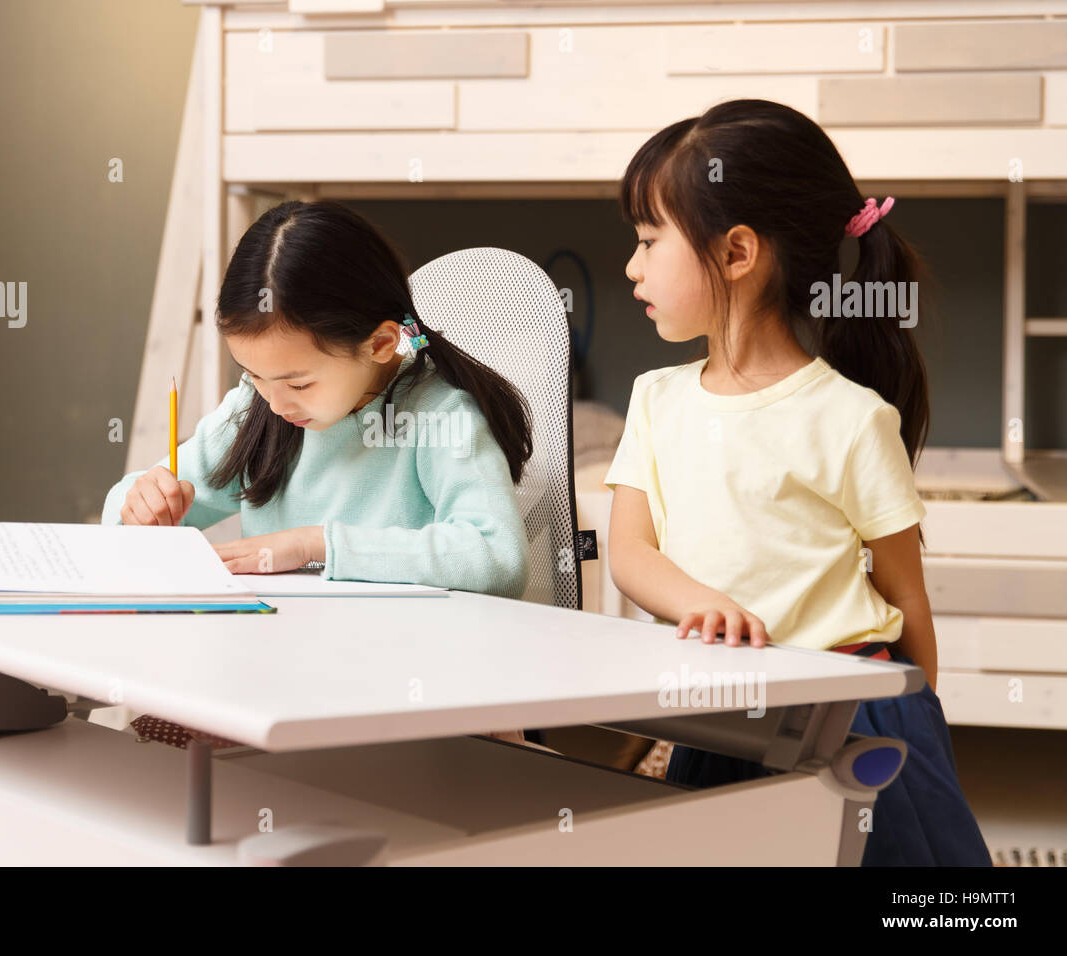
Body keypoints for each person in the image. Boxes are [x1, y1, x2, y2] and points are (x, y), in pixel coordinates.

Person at [604, 99, 991, 866]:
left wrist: (922, 730)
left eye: (649, 241)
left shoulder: (851, 418)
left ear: (737, 252)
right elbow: (630, 552)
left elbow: (906, 597)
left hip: (853, 715)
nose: (632, 265)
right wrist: (704, 605)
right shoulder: (657, 398)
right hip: (723, 715)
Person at [102, 200, 532, 747]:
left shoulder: (438, 415)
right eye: (253, 374)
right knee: (134, 757)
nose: (274, 400)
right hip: (286, 689)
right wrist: (139, 504)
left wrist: (313, 544)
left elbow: (498, 556)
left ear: (380, 344)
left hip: (417, 704)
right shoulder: (259, 408)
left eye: (299, 383)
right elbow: (130, 513)